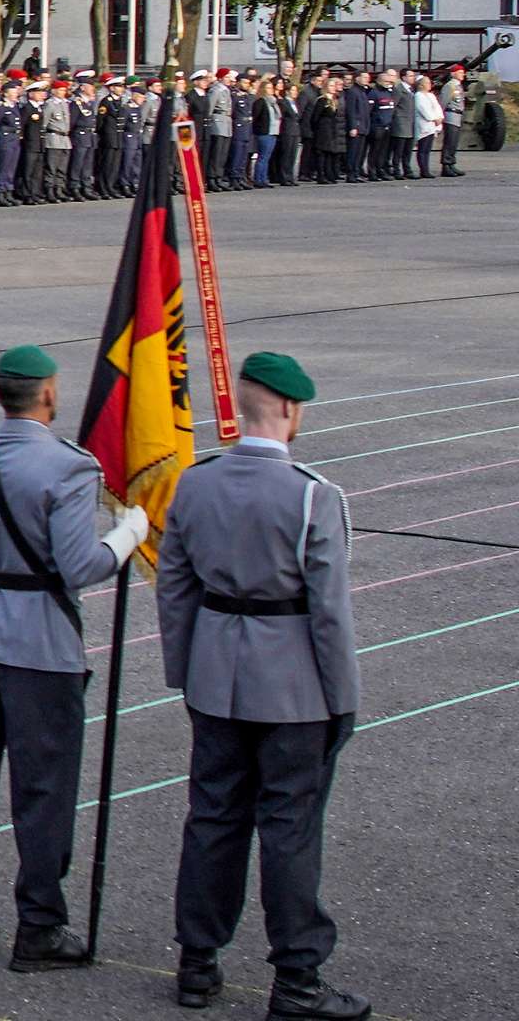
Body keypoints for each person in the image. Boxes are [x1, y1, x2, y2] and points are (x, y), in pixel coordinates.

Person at [0, 343, 148, 968]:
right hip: (41, 645)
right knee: (43, 789)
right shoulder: (69, 468)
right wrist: (129, 532)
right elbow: (79, 566)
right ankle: (40, 926)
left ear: (0, 394)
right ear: (48, 395)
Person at [159, 352, 366, 1019]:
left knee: (212, 819)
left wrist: (185, 671)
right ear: (286, 409)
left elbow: (175, 587)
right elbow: (330, 612)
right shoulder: (313, 495)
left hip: (215, 677)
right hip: (295, 688)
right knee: (290, 830)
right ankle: (297, 981)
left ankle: (197, 962)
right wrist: (342, 699)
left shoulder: (195, 483)